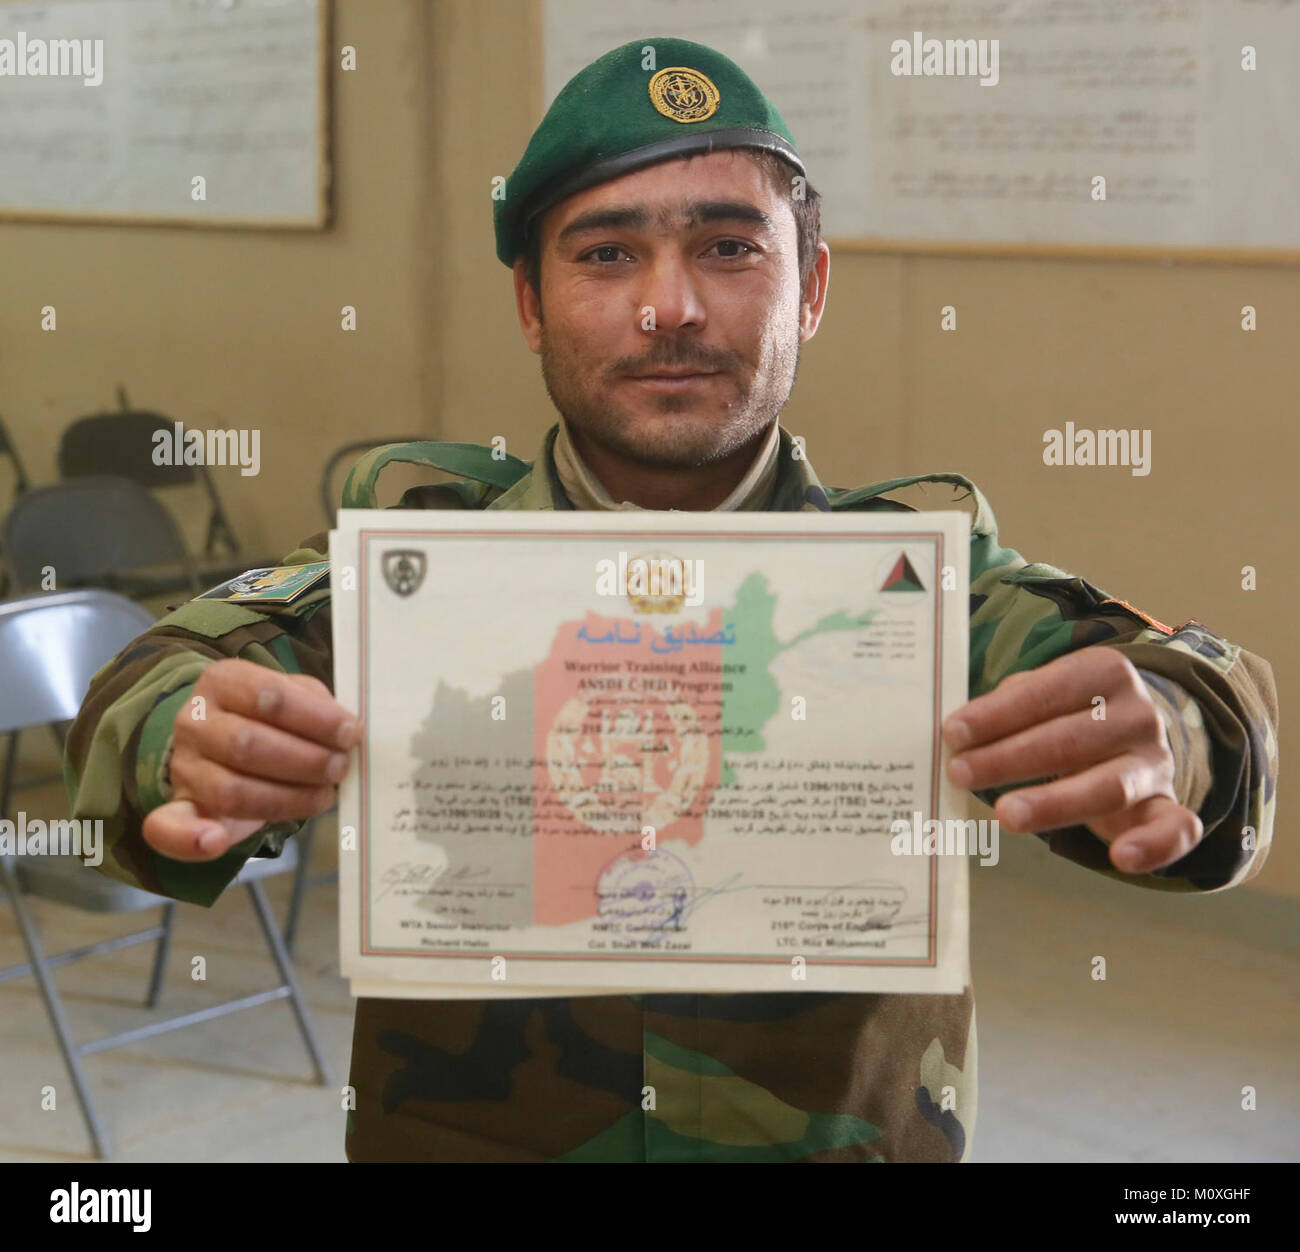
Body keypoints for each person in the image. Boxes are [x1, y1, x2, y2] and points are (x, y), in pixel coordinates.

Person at [64, 37, 1278, 1163]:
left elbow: (1197, 698)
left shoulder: (915, 587)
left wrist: (1174, 732)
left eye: (728, 247)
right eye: (605, 253)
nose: (671, 307)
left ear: (808, 289)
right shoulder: (423, 576)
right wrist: (186, 734)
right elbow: (154, 679)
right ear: (532, 304)